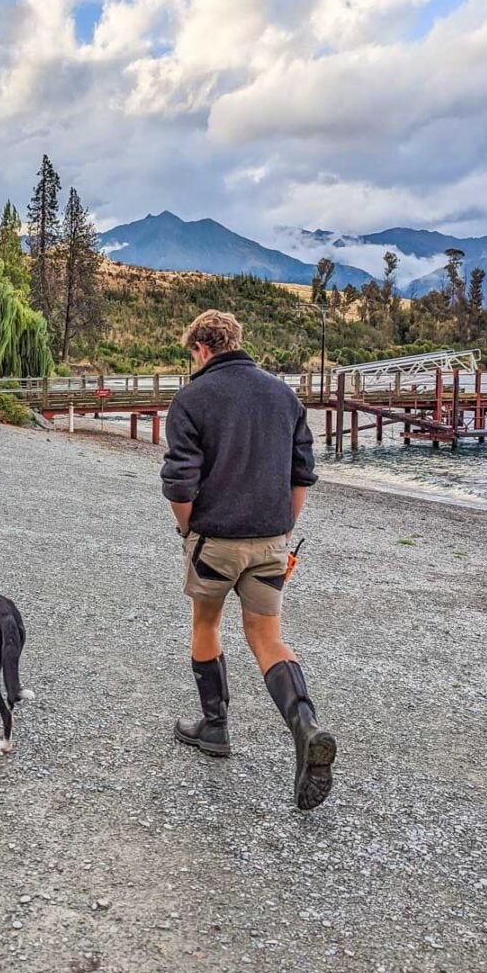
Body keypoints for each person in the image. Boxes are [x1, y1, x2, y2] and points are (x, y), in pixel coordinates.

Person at [161, 309, 337, 811]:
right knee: (267, 637)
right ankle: (305, 728)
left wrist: (187, 527)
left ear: (200, 348)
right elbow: (302, 474)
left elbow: (179, 482)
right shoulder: (284, 396)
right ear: (237, 340)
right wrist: (284, 528)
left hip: (215, 539)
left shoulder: (192, 398)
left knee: (206, 623)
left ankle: (214, 726)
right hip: (271, 540)